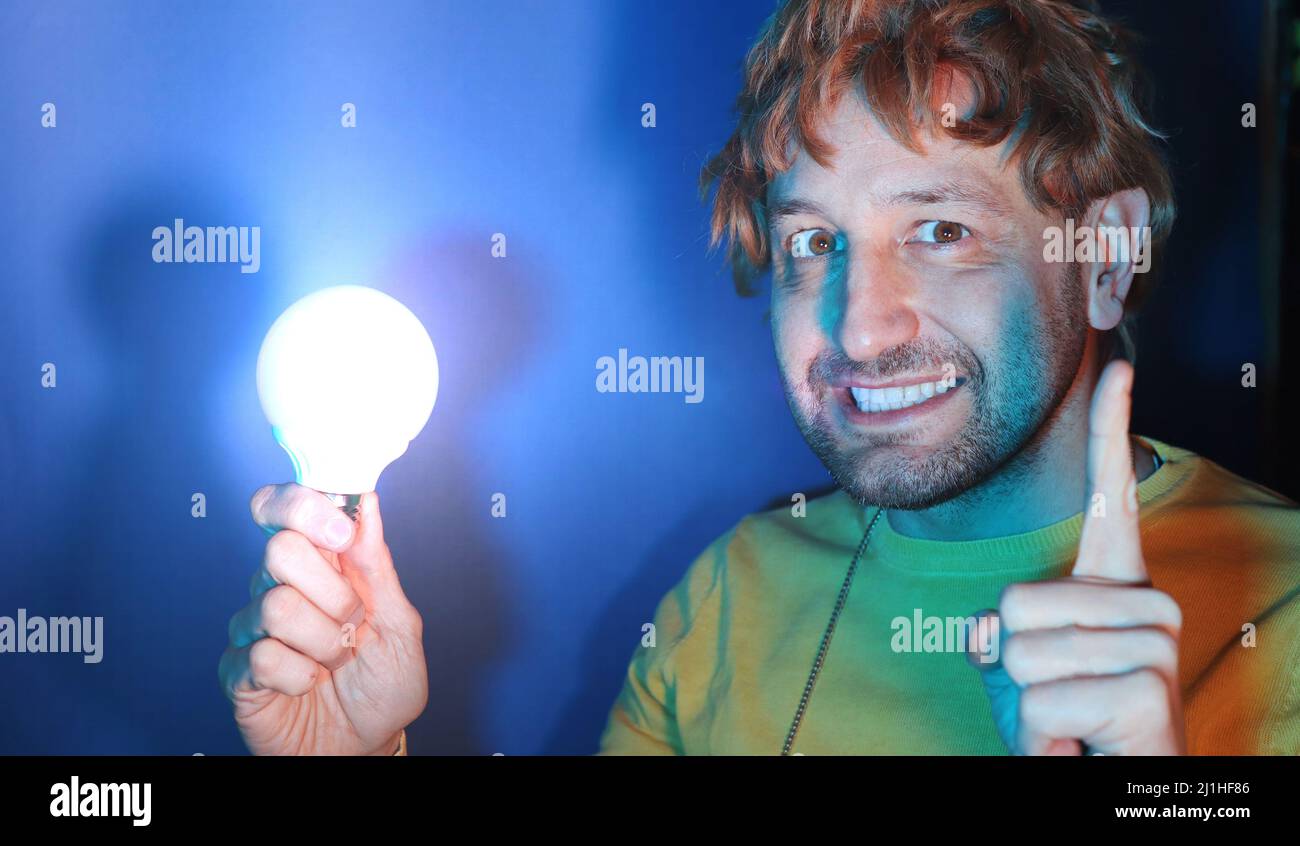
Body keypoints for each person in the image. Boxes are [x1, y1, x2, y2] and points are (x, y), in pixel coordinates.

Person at [219, 0, 1300, 755]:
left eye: (937, 228)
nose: (862, 332)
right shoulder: (727, 597)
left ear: (1101, 257)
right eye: (813, 247)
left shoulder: (1282, 608)